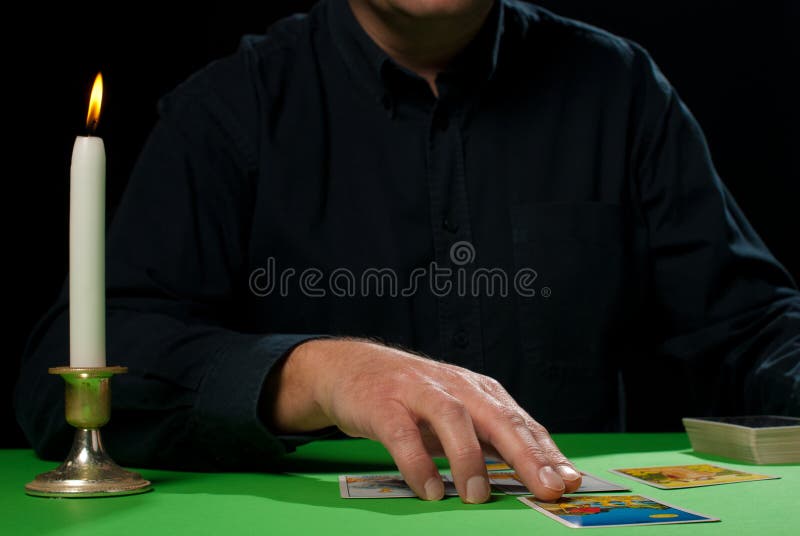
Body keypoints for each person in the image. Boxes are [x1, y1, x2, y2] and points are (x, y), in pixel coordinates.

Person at [15, 0, 799, 505]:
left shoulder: (621, 89)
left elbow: (751, 328)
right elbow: (69, 374)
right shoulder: (230, 108)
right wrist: (315, 373)